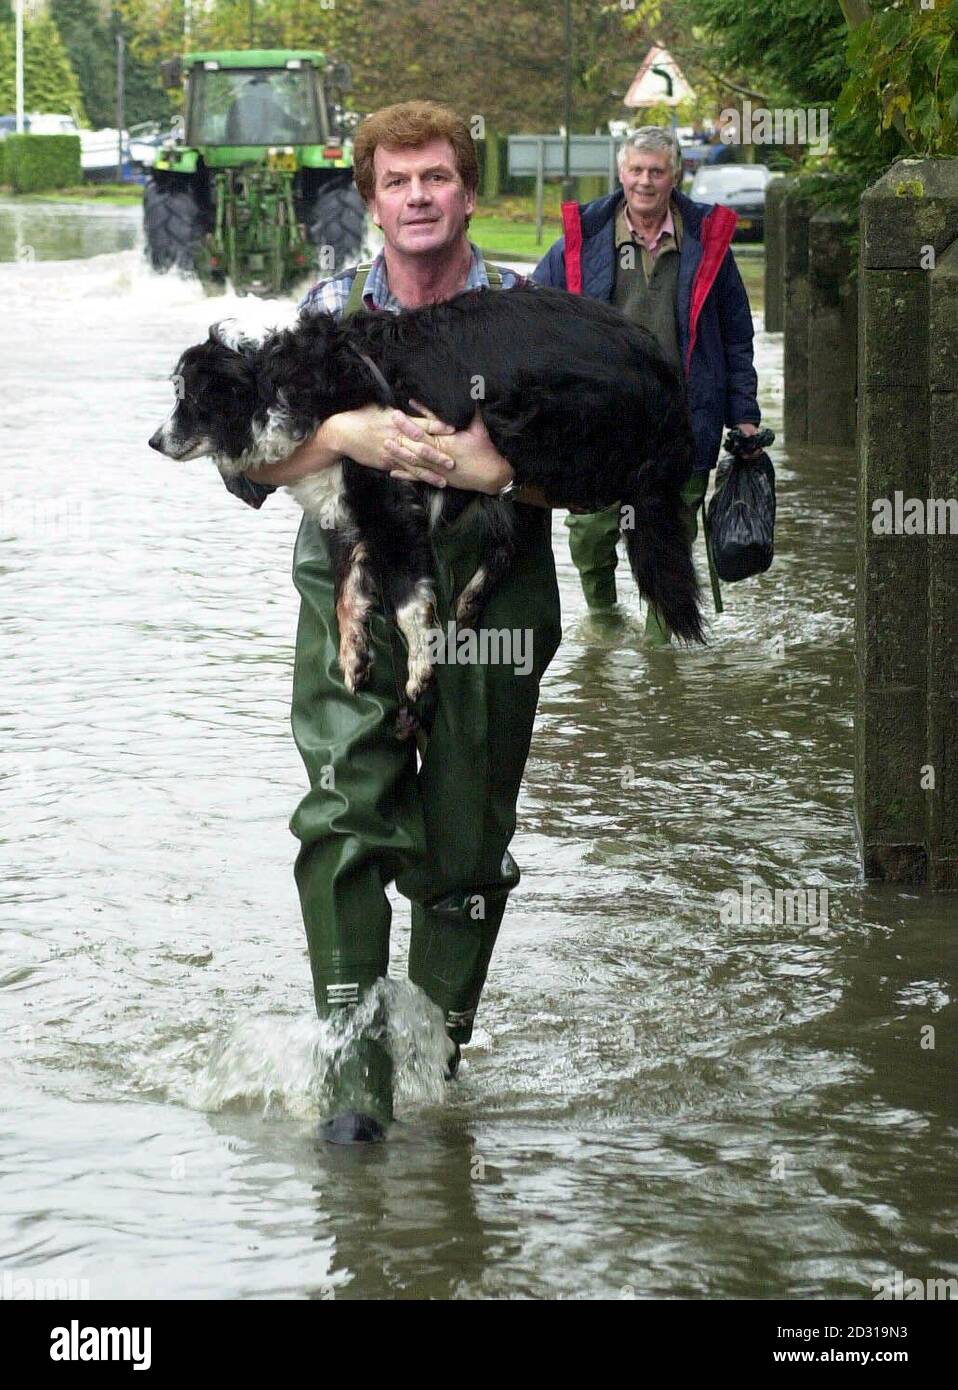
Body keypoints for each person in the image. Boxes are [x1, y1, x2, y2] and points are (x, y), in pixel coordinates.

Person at [223, 101, 562, 1143]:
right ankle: (354, 1082)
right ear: (371, 201)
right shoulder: (325, 306)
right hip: (350, 582)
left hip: (489, 586)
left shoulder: (530, 307)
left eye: (437, 178)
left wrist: (496, 465)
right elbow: (245, 466)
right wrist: (341, 428)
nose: (418, 197)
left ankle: (436, 1060)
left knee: (465, 840)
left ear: (468, 190)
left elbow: (602, 462)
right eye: (397, 182)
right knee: (344, 813)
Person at [533, 125, 761, 643]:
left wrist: (743, 415)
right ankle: (605, 619)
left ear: (675, 174)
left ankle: (662, 647)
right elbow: (538, 318)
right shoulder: (581, 241)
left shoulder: (708, 246)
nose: (645, 181)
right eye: (636, 170)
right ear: (620, 172)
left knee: (670, 540)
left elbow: (736, 337)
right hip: (600, 420)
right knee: (591, 532)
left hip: (681, 420)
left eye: (656, 171)